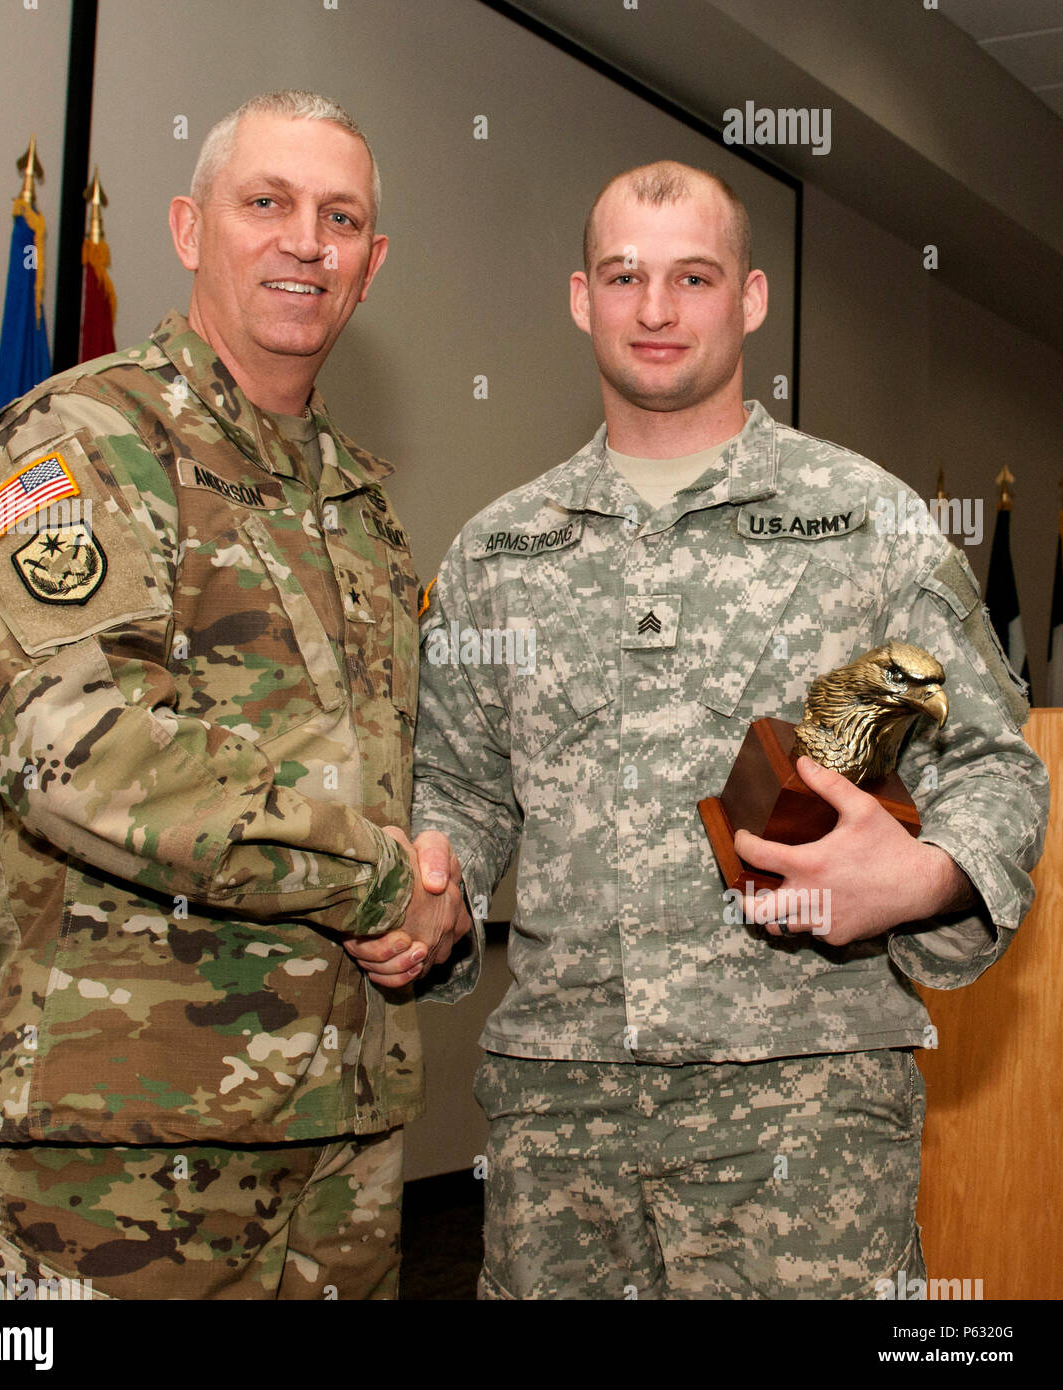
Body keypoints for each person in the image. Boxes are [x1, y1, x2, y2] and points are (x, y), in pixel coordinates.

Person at [346, 161, 1049, 1299]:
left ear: (751, 299)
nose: (657, 309)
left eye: (693, 277)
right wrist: (436, 892)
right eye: (624, 276)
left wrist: (918, 878)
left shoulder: (868, 527)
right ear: (583, 299)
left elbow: (993, 765)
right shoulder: (500, 551)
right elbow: (464, 794)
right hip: (561, 1126)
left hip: (807, 1123)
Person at [0, 89, 468, 1302]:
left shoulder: (363, 512)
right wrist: (377, 878)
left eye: (341, 218)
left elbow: (387, 783)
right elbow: (75, 742)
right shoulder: (71, 446)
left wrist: (440, 910)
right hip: (125, 1160)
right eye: (266, 203)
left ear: (370, 266)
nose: (305, 241)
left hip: (343, 1146)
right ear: (189, 228)